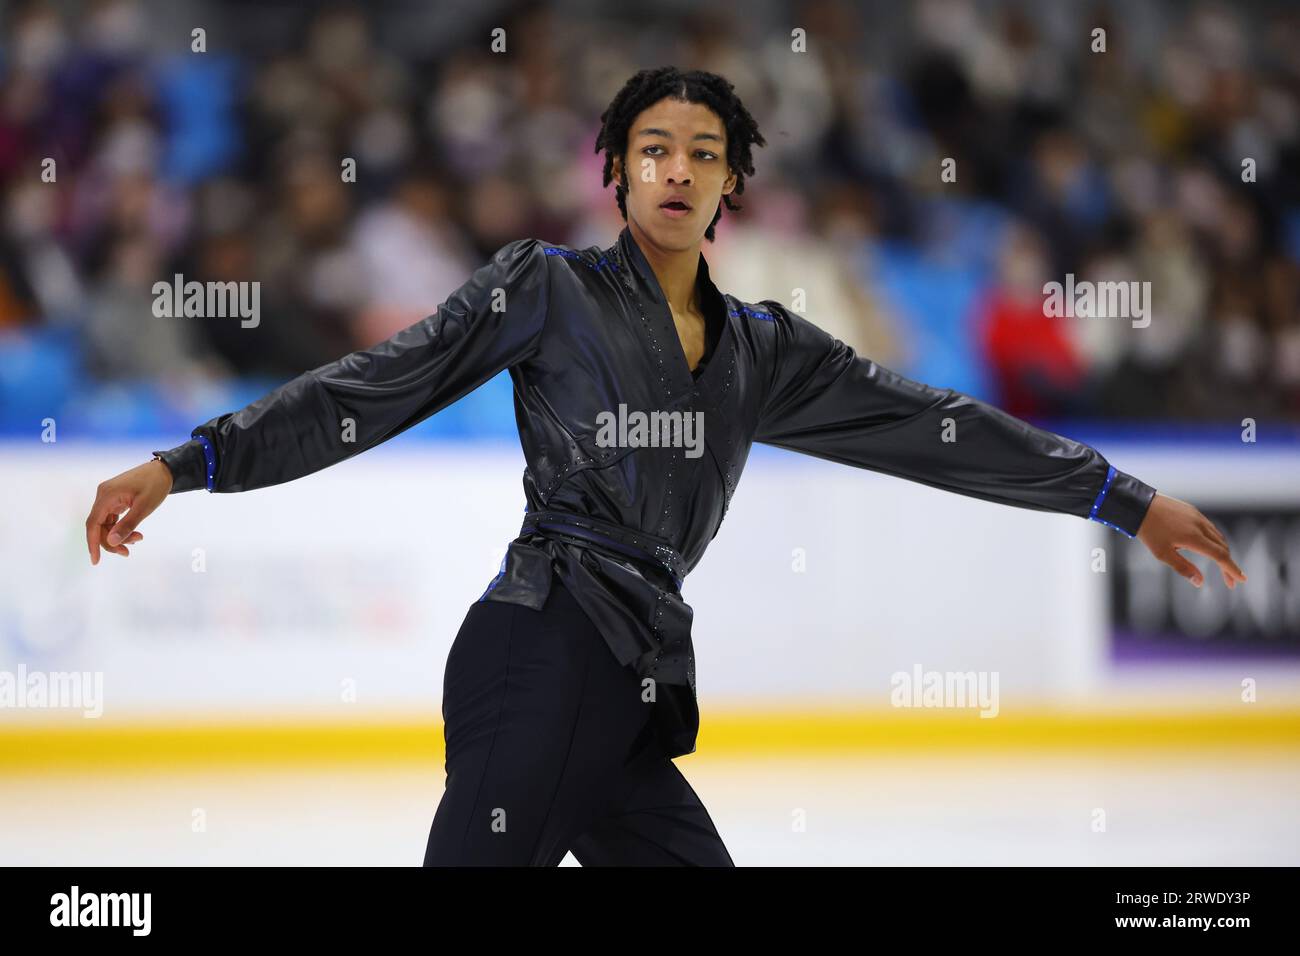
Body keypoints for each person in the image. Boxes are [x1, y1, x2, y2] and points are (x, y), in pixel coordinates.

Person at [85, 67, 1246, 866]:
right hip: (537, 647)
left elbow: (931, 425)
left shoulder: (766, 351)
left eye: (704, 153)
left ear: (733, 181)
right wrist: (190, 461)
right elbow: (369, 388)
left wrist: (1118, 496)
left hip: (639, 681)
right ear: (617, 172)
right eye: (654, 150)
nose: (678, 169)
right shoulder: (543, 290)